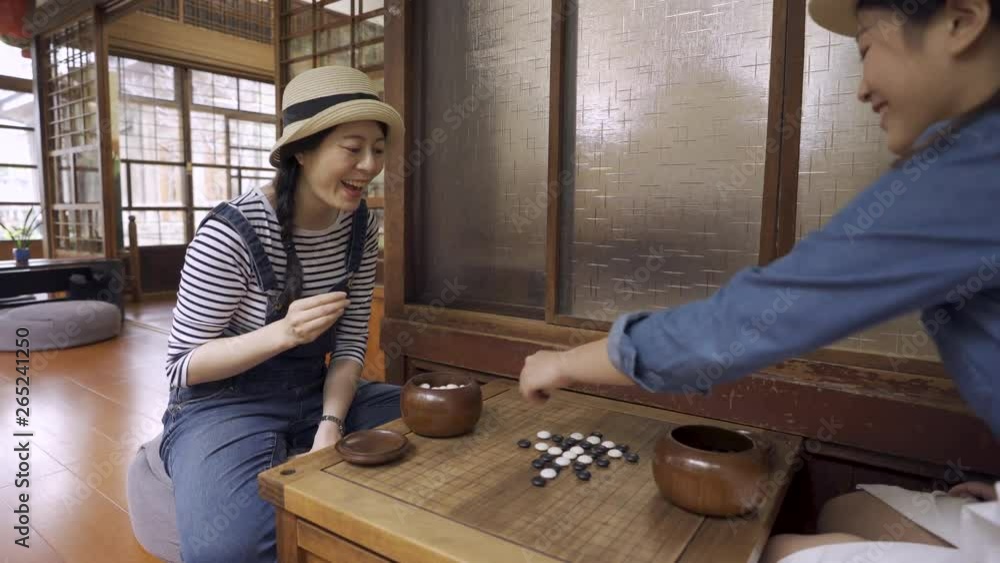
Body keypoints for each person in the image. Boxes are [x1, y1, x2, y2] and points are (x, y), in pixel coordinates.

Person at [518, 1, 999, 561]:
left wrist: (564, 362)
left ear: (962, 20)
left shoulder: (974, 172)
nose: (861, 87)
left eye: (866, 48)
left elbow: (745, 323)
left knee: (761, 555)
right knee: (848, 510)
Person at [126, 66, 404, 563]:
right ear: (302, 150)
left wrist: (330, 424)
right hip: (222, 403)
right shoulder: (231, 233)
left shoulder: (361, 227)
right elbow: (182, 366)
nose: (368, 165)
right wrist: (282, 333)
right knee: (225, 548)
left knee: (432, 431)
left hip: (316, 392)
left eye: (378, 150)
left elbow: (350, 344)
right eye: (352, 147)